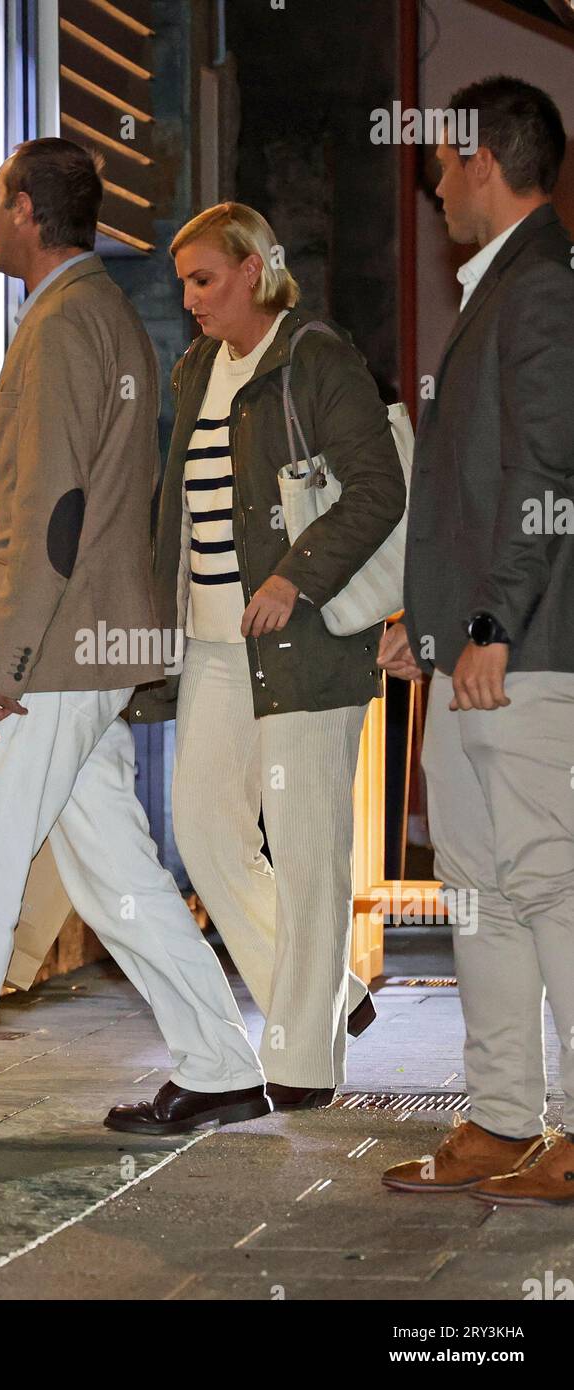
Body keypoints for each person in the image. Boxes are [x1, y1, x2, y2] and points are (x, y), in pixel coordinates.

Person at [0, 138, 272, 1145]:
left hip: (54, 651)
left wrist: (4, 661)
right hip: (93, 646)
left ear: (26, 210)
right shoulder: (108, 317)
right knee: (115, 874)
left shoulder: (61, 327)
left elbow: (48, 514)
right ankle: (222, 1065)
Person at [130, 203, 406, 1107]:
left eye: (204, 278)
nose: (190, 298)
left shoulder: (314, 357)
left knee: (307, 848)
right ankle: (334, 992)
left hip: (307, 641)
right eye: (182, 282)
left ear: (254, 270)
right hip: (212, 644)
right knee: (207, 834)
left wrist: (297, 577)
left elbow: (379, 488)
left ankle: (303, 1064)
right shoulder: (197, 369)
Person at [380, 77, 574, 1205]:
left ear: (485, 162)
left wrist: (492, 620)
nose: (433, 181)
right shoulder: (502, 286)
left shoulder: (540, 286)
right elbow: (475, 489)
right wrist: (435, 624)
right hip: (478, 648)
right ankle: (504, 1120)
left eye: (444, 161)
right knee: (480, 887)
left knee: (548, 883)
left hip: (528, 648)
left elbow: (550, 477)